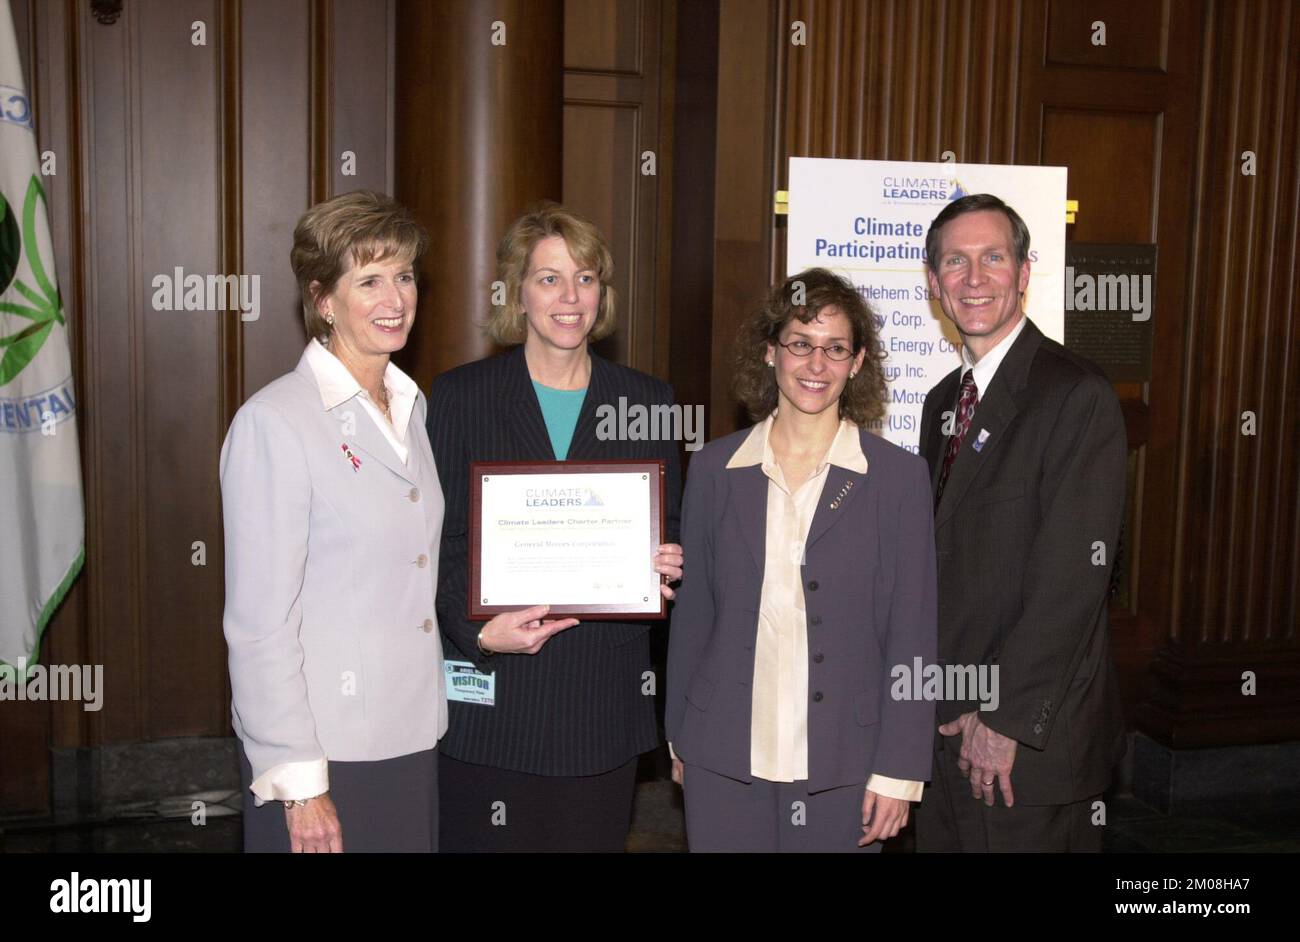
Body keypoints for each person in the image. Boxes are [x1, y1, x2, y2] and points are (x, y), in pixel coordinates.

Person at [220, 190, 563, 852]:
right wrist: (300, 781)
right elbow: (259, 626)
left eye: (404, 276)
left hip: (412, 734)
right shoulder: (275, 422)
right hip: (324, 752)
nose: (395, 298)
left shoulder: (411, 407)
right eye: (369, 279)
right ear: (323, 299)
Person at [427, 202, 684, 852]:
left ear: (603, 293)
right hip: (491, 705)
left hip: (598, 708)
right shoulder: (461, 396)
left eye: (587, 278)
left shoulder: (648, 402)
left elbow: (671, 525)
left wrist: (672, 565)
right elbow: (438, 543)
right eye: (549, 278)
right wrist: (480, 631)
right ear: (517, 292)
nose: (570, 297)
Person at [666, 268, 937, 852]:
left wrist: (899, 769)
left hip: (847, 764)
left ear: (857, 362)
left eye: (835, 348)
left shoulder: (896, 479)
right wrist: (679, 736)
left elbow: (913, 634)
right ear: (770, 352)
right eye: (800, 344)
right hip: (722, 754)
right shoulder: (714, 470)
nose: (816, 364)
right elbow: (694, 618)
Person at [913, 193, 1128, 852]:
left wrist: (1001, 720)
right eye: (956, 261)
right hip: (943, 725)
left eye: (993, 258)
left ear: (1025, 272)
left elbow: (1073, 582)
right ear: (933, 285)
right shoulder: (942, 403)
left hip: (1022, 745)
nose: (974, 278)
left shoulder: (1074, 394)